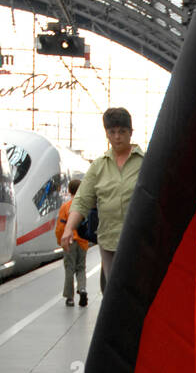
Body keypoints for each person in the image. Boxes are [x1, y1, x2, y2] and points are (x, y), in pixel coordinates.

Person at [60, 108, 143, 286]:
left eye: (122, 131)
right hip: (109, 241)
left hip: (138, 241)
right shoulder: (99, 166)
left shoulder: (146, 163)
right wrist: (69, 229)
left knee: (136, 292)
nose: (117, 137)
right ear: (107, 134)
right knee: (112, 293)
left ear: (131, 133)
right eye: (112, 132)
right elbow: (82, 199)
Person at [55, 177, 89, 307]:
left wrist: (60, 240)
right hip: (83, 242)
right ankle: (83, 289)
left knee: (69, 268)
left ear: (69, 191)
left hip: (69, 241)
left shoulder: (66, 207)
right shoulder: (85, 205)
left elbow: (60, 227)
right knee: (81, 268)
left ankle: (70, 298)